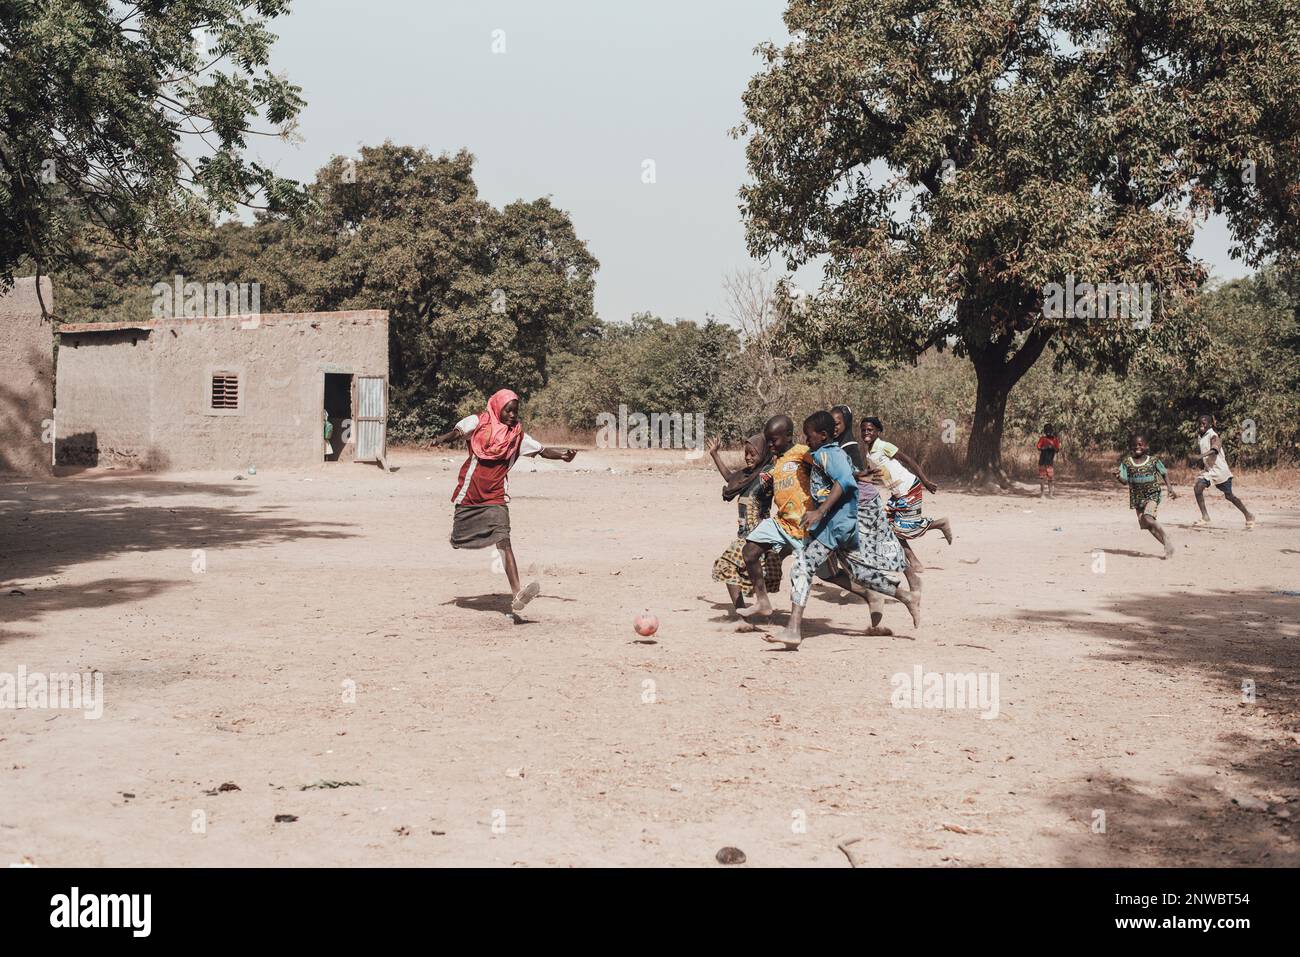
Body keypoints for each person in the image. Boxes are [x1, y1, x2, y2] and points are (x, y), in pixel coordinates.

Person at [768, 411, 920, 649]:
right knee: (860, 574)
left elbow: (843, 482)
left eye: (809, 436)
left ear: (824, 435)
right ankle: (906, 597)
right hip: (842, 525)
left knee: (802, 567)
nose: (806, 440)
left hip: (835, 525)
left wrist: (819, 511)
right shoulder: (823, 453)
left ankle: (794, 630)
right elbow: (846, 476)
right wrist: (857, 474)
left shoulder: (830, 453)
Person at [430, 389, 577, 612]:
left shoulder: (516, 436)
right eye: (508, 410)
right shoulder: (478, 422)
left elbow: (542, 450)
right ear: (498, 407)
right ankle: (459, 538)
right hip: (471, 490)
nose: (512, 415)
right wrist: (441, 439)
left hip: (496, 494)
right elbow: (458, 432)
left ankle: (517, 593)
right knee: (459, 538)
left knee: (504, 539)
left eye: (515, 412)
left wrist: (564, 456)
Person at [735, 415, 809, 620]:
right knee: (749, 552)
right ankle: (762, 601)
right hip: (782, 522)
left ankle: (873, 593)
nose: (770, 445)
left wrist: (853, 476)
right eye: (767, 440)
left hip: (805, 526)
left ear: (788, 436)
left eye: (773, 440)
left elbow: (828, 467)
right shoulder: (777, 459)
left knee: (830, 575)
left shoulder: (802, 453)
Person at [860, 417, 952, 572]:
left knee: (906, 527)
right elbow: (873, 473)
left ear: (878, 431)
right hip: (897, 492)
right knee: (889, 526)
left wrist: (926, 482)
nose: (866, 433)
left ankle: (939, 524)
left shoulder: (884, 446)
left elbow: (908, 461)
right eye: (863, 430)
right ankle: (914, 561)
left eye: (870, 430)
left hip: (908, 487)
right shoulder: (869, 452)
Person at [707, 433, 783, 613]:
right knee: (735, 569)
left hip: (758, 535)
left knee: (726, 564)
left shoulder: (767, 474)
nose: (748, 457)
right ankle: (744, 612)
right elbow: (731, 479)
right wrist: (715, 455)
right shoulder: (748, 475)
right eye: (746, 453)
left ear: (763, 453)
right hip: (744, 536)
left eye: (753, 454)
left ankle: (745, 611)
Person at [1114, 432, 1177, 559]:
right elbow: (1124, 480)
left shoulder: (1153, 460)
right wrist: (1117, 476)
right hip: (1137, 498)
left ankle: (1166, 536)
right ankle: (1167, 545)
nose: (1137, 447)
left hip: (1152, 494)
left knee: (1149, 517)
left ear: (1146, 446)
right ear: (1131, 447)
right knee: (1147, 525)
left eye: (1140, 444)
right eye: (1134, 445)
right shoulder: (1127, 462)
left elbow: (1164, 473)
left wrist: (1170, 488)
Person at [1192, 414, 1256, 529]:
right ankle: (1205, 517)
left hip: (1220, 471)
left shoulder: (1213, 435)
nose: (1201, 425)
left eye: (1204, 423)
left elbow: (1215, 449)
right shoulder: (1201, 436)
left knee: (1229, 496)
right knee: (1198, 487)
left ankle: (1249, 515)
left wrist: (1200, 456)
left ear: (1209, 424)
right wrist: (1202, 464)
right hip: (1210, 471)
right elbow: (1206, 455)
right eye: (1200, 423)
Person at [831, 405, 863, 470]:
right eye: (831, 424)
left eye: (837, 424)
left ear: (846, 423)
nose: (833, 427)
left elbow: (857, 473)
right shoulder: (834, 443)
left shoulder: (850, 447)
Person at [1036, 425, 1061, 498]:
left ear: (1052, 431)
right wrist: (1046, 447)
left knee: (1050, 478)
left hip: (1050, 462)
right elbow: (1038, 447)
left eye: (1049, 430)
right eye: (1046, 431)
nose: (1048, 432)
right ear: (1045, 431)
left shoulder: (1055, 439)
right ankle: (1042, 494)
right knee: (1042, 478)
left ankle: (1050, 494)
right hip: (1042, 461)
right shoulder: (1042, 439)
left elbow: (1057, 450)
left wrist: (1052, 447)